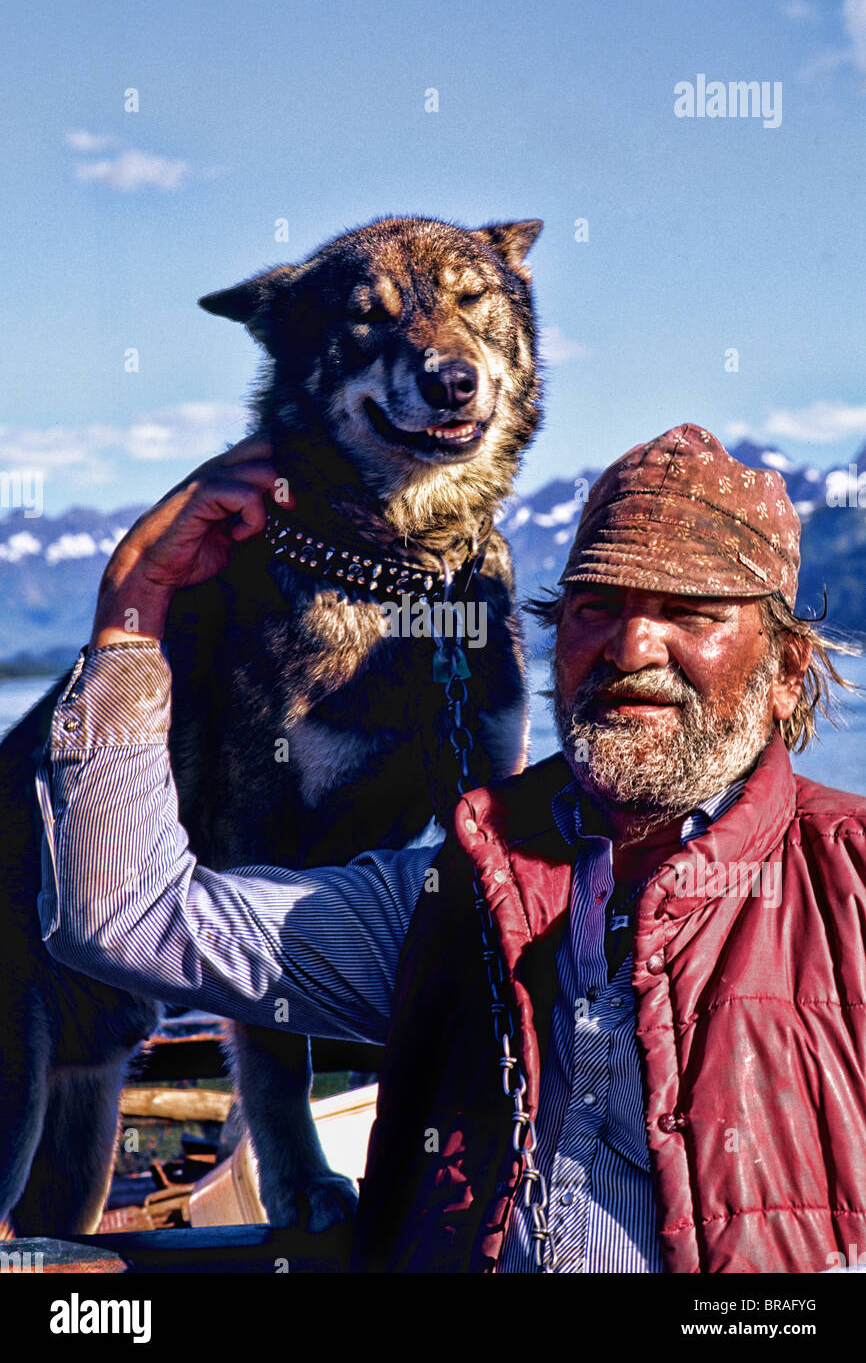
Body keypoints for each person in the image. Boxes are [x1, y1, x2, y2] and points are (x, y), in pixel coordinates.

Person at [36, 423, 866, 1274]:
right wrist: (135, 606)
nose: (630, 649)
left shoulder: (851, 889)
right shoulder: (460, 899)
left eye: (688, 612)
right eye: (596, 608)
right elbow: (126, 917)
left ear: (787, 673)